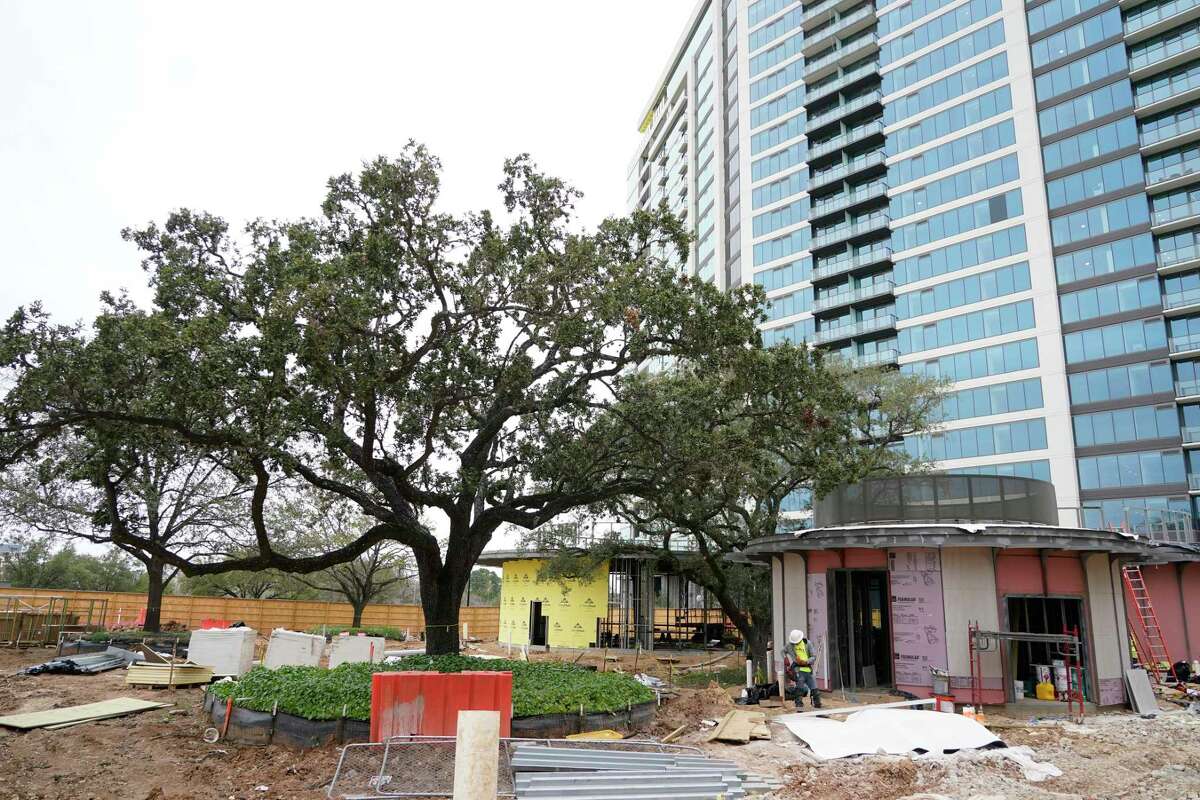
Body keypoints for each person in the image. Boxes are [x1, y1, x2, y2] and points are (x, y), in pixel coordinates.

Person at [785, 629, 821, 709]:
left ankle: (817, 706)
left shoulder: (807, 643)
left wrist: (806, 662)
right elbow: (783, 651)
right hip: (798, 669)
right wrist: (785, 659)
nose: (795, 644)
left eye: (796, 642)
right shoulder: (790, 645)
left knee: (815, 689)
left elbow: (813, 657)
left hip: (807, 669)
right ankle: (799, 707)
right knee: (799, 689)